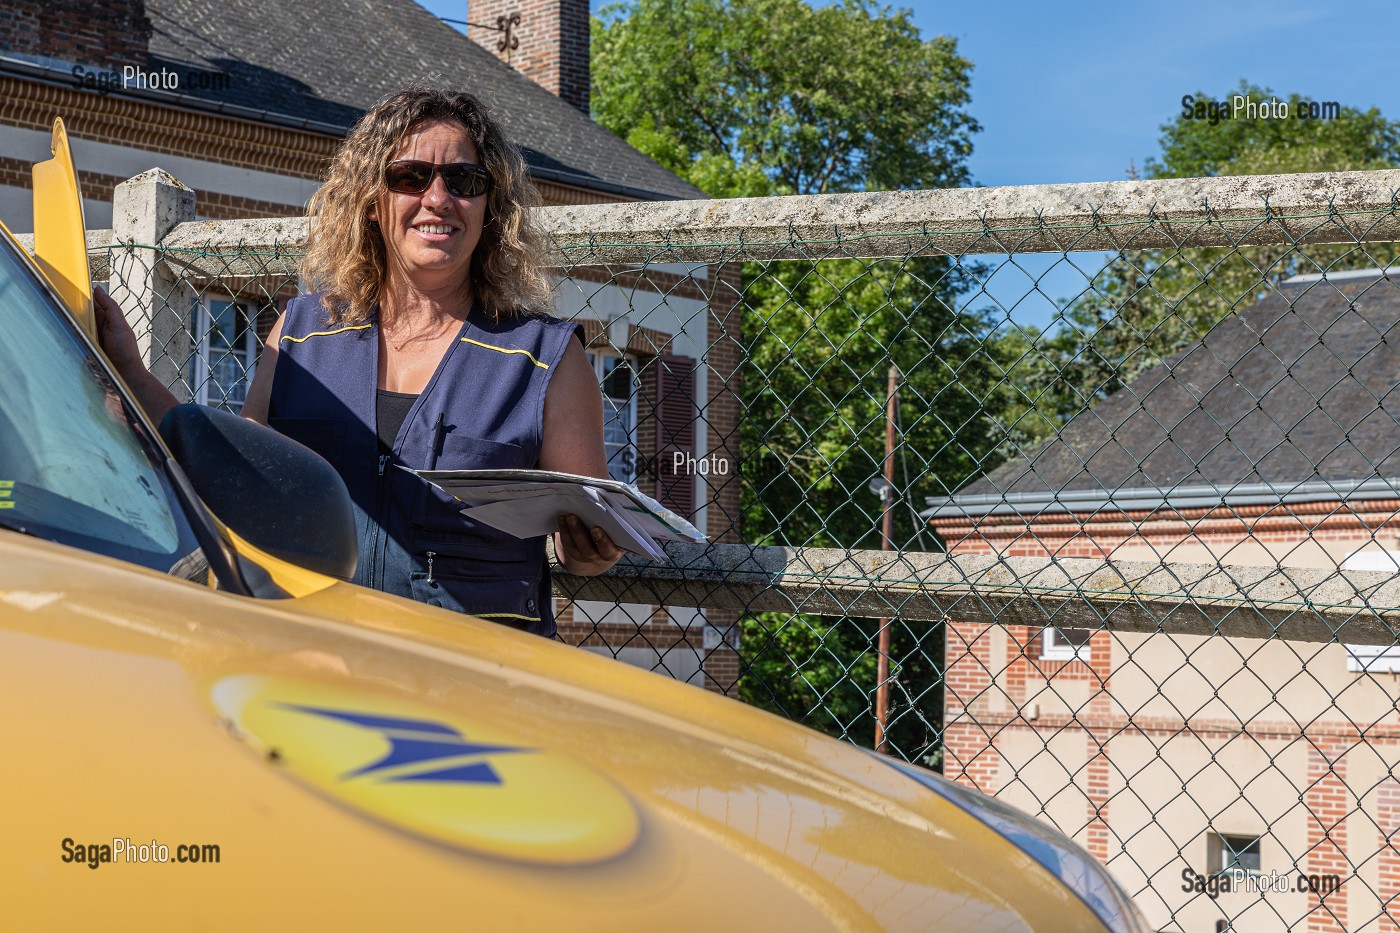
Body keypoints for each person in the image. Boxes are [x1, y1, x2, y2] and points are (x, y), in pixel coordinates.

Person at [95, 86, 622, 636]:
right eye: (410, 177)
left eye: (464, 182)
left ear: (490, 209)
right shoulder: (301, 334)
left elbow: (586, 542)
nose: (438, 199)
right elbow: (237, 474)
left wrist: (591, 552)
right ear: (373, 203)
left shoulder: (546, 357)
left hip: (475, 677)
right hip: (316, 654)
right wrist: (128, 375)